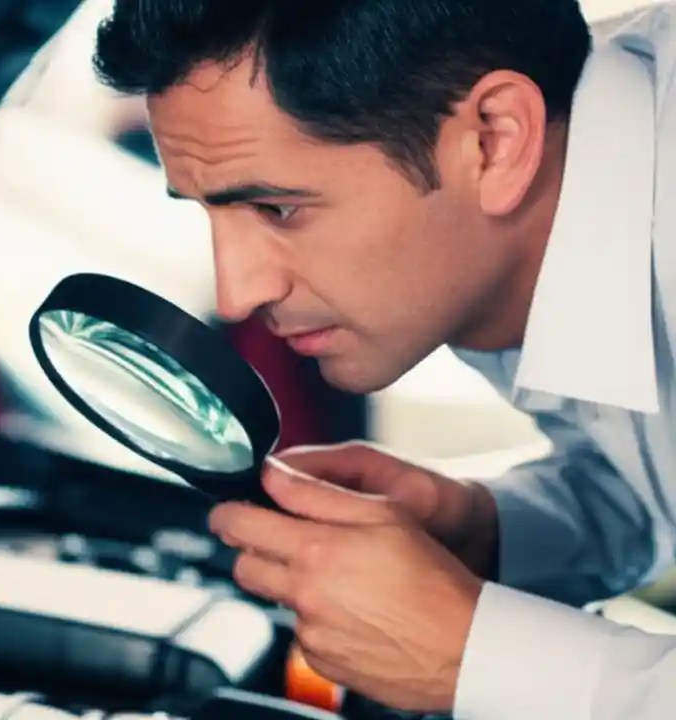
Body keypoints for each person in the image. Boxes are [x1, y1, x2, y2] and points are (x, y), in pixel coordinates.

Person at [92, 1, 676, 718]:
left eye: (278, 210)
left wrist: (473, 658)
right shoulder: (532, 222)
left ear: (495, 140)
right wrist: (486, 529)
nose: (238, 293)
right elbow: (653, 476)